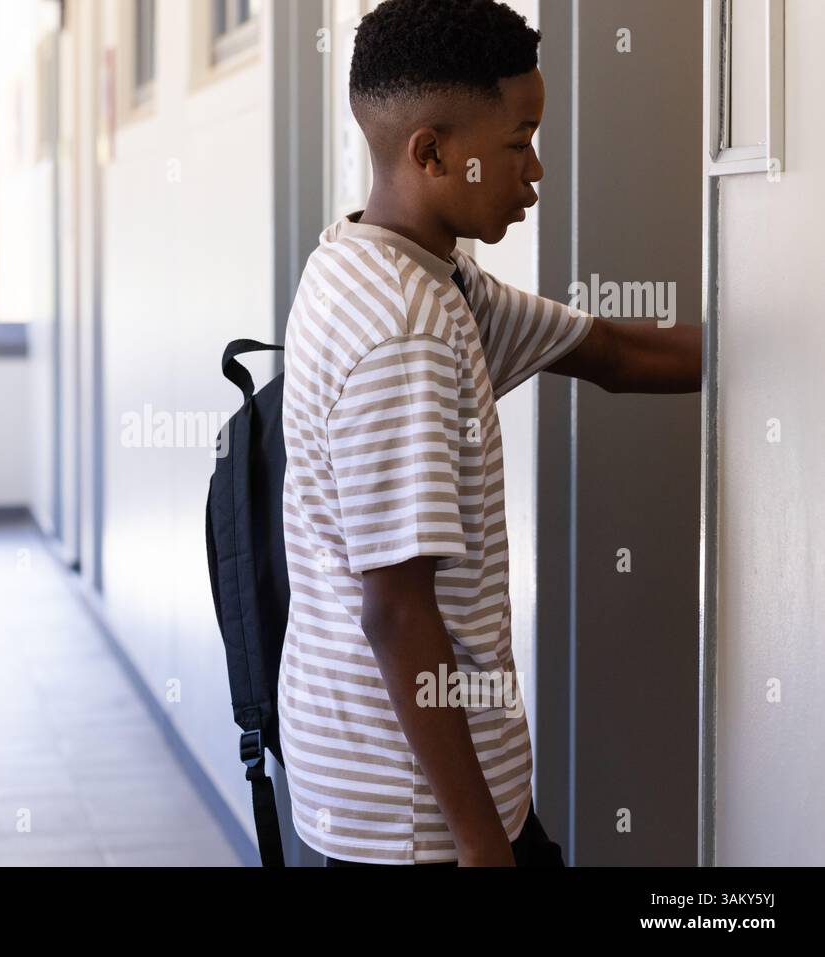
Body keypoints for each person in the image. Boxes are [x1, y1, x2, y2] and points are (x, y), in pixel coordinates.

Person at [278, 0, 700, 867]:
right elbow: (397, 612)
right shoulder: (405, 332)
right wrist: (480, 846)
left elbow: (615, 352)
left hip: (390, 784)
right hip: (418, 818)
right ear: (430, 152)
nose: (537, 169)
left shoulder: (387, 265)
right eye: (518, 143)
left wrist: (798, 355)